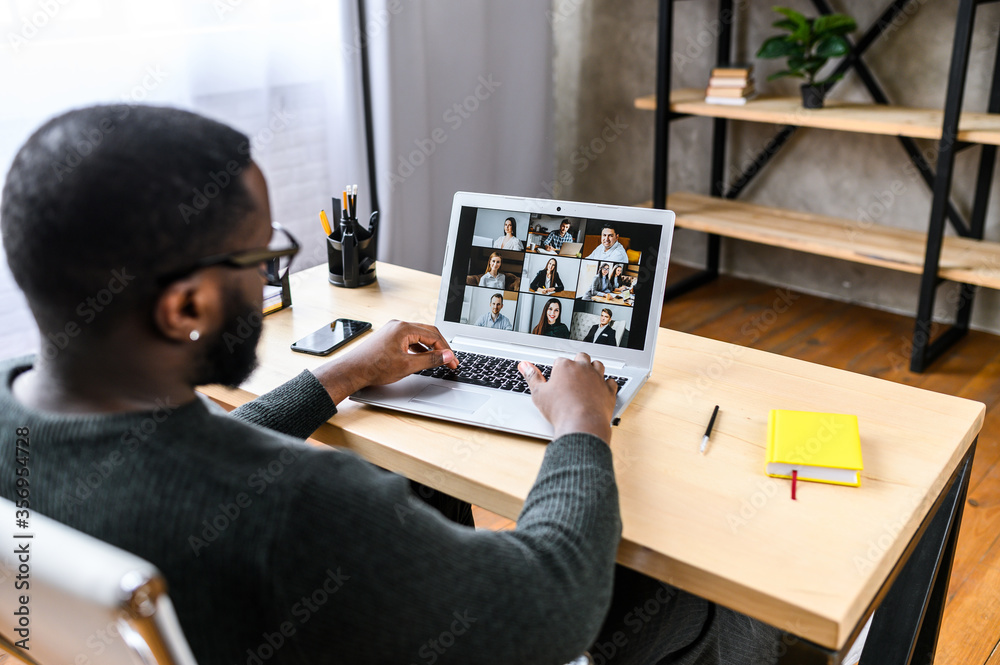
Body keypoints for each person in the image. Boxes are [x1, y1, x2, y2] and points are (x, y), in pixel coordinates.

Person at [0, 105, 780, 665]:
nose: (272, 272)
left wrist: (344, 372)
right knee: (727, 598)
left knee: (425, 489)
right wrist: (581, 427)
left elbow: (186, 466)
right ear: (187, 307)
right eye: (262, 258)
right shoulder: (302, 506)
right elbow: (552, 612)